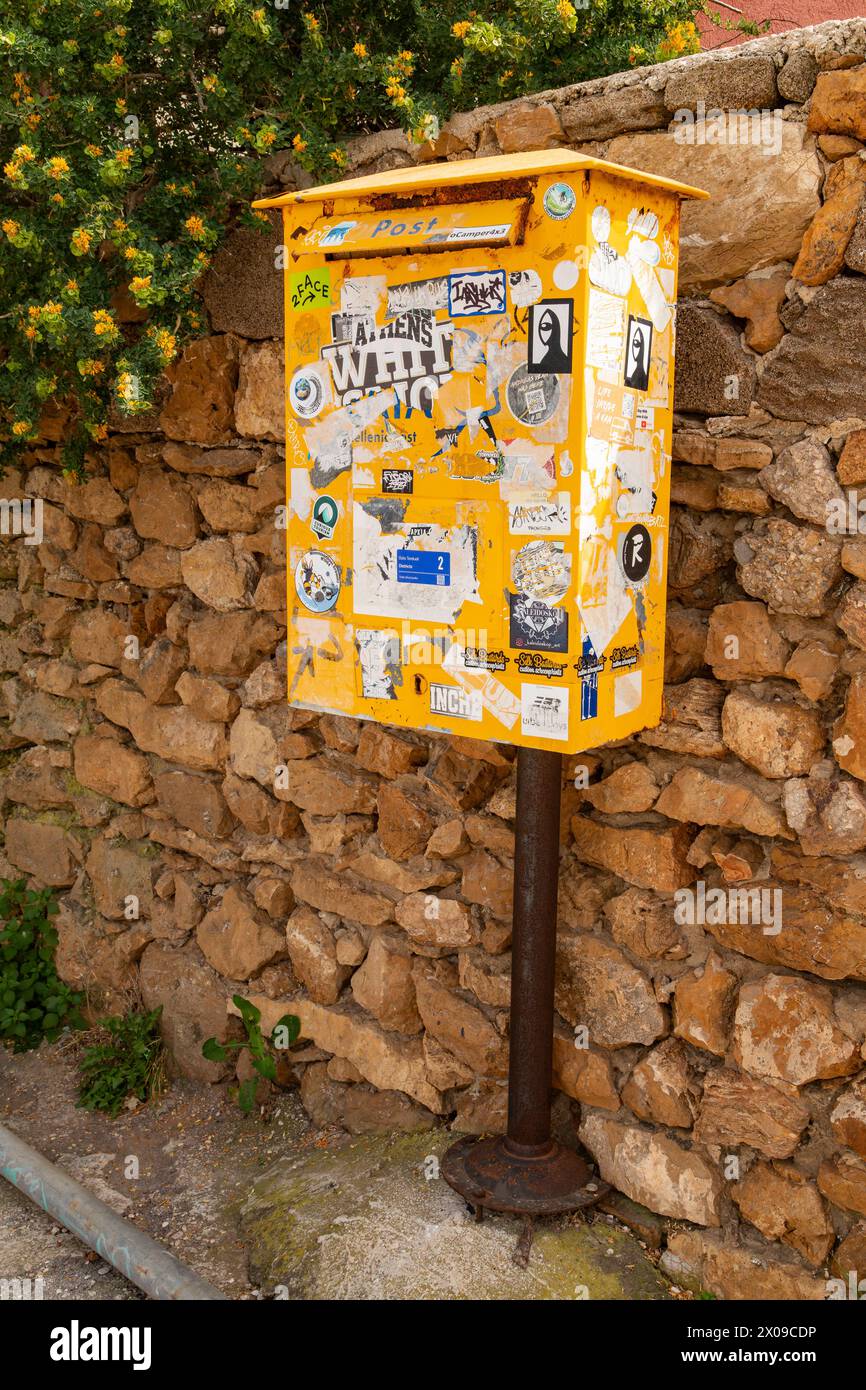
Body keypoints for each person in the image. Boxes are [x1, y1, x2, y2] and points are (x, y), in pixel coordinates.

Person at [533, 307, 570, 373]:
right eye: (540, 327)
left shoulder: (561, 360)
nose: (540, 331)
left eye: (545, 327)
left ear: (556, 328)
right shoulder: (545, 358)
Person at [625, 322, 649, 390]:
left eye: (636, 343)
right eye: (633, 344)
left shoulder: (641, 375)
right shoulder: (633, 372)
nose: (633, 348)